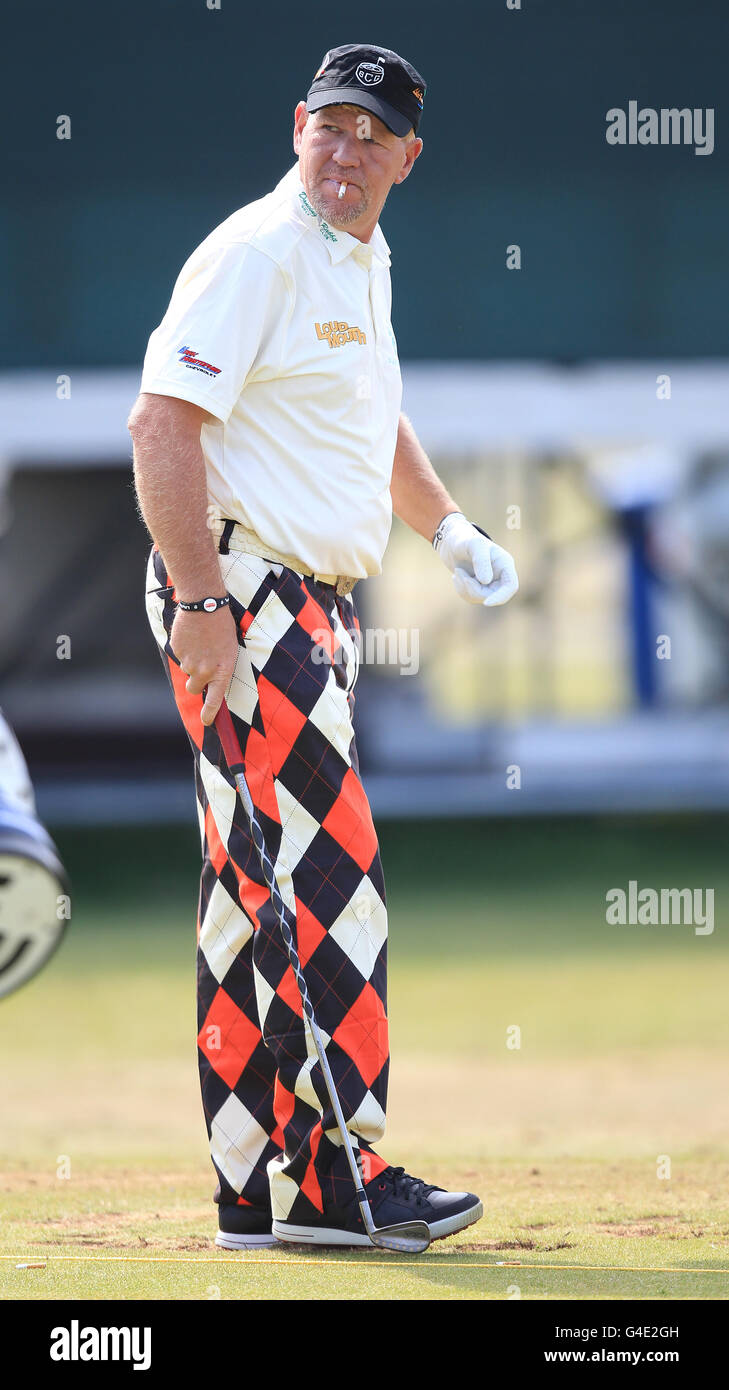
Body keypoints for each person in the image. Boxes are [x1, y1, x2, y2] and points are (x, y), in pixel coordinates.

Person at [128, 42, 518, 1251]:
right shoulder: (261, 252)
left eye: (371, 135)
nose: (345, 153)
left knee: (254, 894)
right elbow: (161, 422)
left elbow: (365, 408)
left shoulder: (356, 255)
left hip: (296, 596)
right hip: (245, 590)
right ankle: (343, 1180)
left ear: (408, 156)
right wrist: (204, 603)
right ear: (298, 125)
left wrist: (444, 524)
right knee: (328, 878)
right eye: (330, 127)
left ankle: (257, 1182)